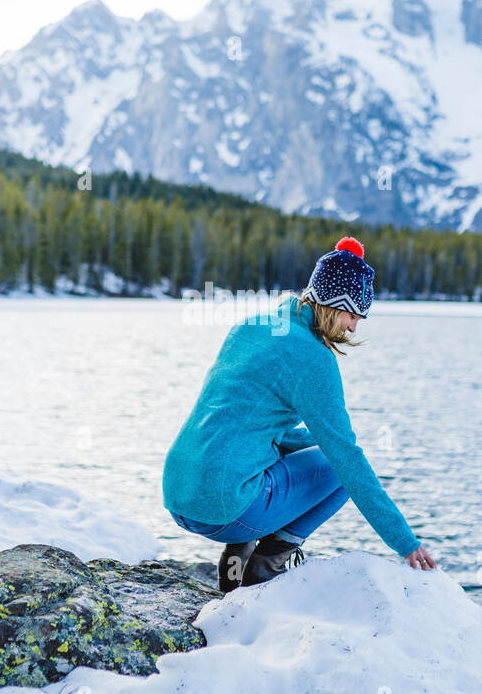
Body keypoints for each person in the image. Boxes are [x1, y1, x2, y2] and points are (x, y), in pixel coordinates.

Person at [163, 236, 438, 591]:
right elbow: (347, 461)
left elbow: (249, 423)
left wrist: (317, 441)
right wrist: (406, 543)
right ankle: (268, 562)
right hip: (223, 509)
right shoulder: (313, 357)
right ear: (333, 305)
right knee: (341, 469)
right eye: (353, 314)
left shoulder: (251, 326)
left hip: (179, 493)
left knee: (285, 452)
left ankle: (236, 565)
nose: (354, 326)